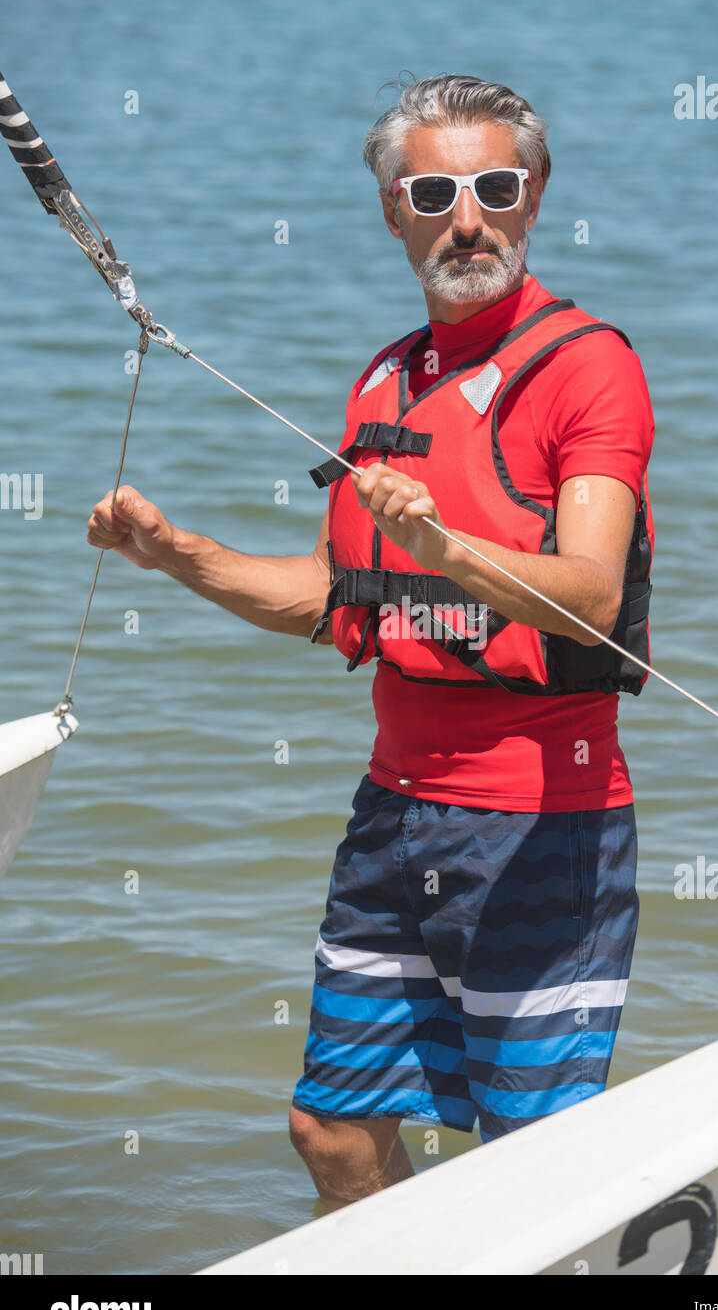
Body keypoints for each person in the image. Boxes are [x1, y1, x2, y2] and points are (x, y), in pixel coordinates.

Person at [87, 73, 655, 1211]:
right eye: (433, 190)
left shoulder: (587, 367)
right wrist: (178, 554)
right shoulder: (383, 380)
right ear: (393, 211)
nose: (468, 216)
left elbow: (590, 598)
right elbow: (334, 599)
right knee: (331, 1127)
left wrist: (450, 550)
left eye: (495, 186)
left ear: (535, 195)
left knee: (537, 1166)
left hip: (540, 826)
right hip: (390, 817)